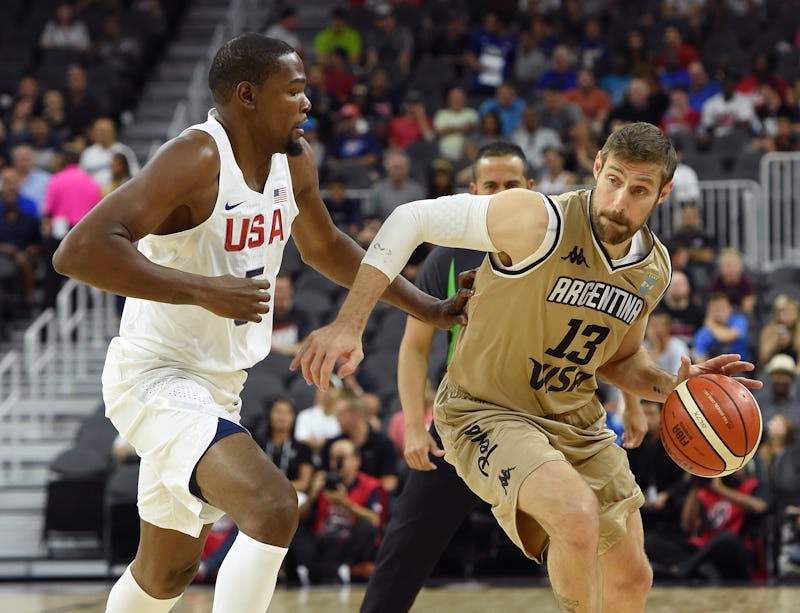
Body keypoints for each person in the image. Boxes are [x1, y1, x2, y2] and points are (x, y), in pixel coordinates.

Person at [52, 34, 469, 613]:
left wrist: (427, 305)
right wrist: (202, 290)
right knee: (274, 506)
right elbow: (79, 251)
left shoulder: (292, 160)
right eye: (294, 91)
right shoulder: (195, 158)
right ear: (247, 95)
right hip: (156, 377)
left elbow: (326, 247)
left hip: (221, 386)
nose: (307, 104)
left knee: (167, 572)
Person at [293, 122, 761, 612]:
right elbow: (410, 218)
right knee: (574, 516)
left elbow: (620, 360)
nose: (620, 201)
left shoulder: (653, 269)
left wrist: (673, 387)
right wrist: (351, 322)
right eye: (614, 180)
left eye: (639, 189)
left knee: (632, 576)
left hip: (574, 420)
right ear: (597, 168)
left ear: (664, 193)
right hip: (485, 409)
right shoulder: (538, 220)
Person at [362, 140, 535, 613]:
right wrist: (415, 427)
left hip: (542, 416)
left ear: (531, 190)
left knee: (584, 536)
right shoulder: (447, 256)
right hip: (468, 419)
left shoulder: (557, 252)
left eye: (512, 186)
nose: (501, 195)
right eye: (491, 186)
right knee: (405, 547)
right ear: (473, 191)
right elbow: (414, 348)